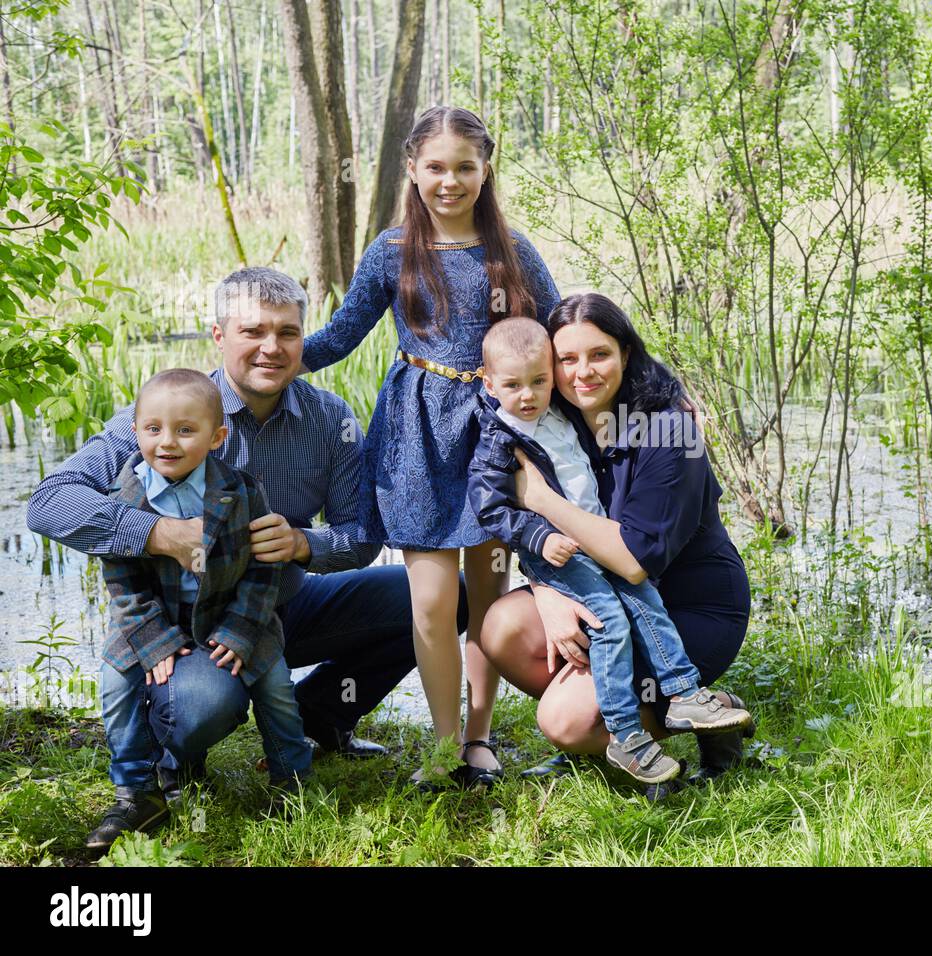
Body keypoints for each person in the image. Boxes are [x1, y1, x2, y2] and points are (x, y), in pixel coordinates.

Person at [26, 267, 462, 804]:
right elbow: (49, 502)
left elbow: (363, 534)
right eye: (252, 332)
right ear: (219, 336)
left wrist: (304, 544)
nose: (271, 348)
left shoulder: (331, 420)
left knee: (441, 599)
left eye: (287, 333)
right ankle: (173, 755)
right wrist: (160, 533)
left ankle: (320, 718)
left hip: (285, 603)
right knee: (204, 705)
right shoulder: (172, 413)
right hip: (193, 625)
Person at [298, 106, 560, 787]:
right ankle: (443, 749)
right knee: (431, 604)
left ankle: (479, 740)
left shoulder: (512, 250)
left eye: (465, 167)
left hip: (492, 437)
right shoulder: (391, 252)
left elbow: (558, 336)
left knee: (488, 597)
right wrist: (263, 357)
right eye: (436, 167)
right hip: (415, 438)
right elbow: (336, 339)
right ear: (412, 170)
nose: (450, 180)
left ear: (486, 167)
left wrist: (636, 393)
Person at [479, 293, 753, 784]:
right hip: (602, 589)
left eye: (599, 354)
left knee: (565, 720)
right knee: (503, 626)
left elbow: (634, 560)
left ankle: (699, 715)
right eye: (567, 359)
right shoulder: (551, 421)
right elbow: (493, 392)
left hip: (685, 604)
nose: (582, 372)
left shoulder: (669, 430)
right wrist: (546, 592)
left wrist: (541, 499)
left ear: (626, 354)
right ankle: (609, 729)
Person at [85, 369, 312, 851]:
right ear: (136, 431)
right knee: (114, 682)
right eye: (153, 429)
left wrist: (241, 631)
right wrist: (154, 639)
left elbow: (263, 569)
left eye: (186, 430)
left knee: (274, 686)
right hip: (150, 618)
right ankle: (136, 793)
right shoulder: (126, 496)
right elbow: (122, 578)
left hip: (229, 616)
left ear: (217, 437)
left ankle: (291, 781)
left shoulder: (242, 490)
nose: (167, 442)